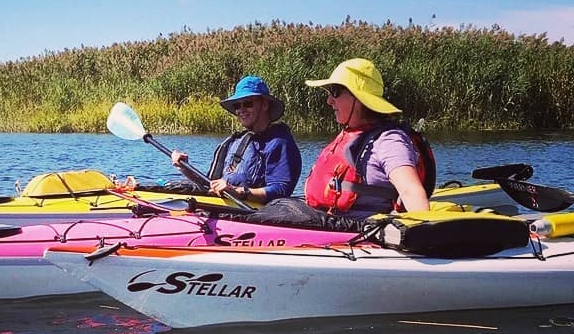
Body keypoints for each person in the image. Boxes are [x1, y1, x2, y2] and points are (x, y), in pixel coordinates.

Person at [302, 58, 435, 218]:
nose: (329, 100)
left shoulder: (389, 141)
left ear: (358, 99)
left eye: (335, 92)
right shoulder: (350, 134)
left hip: (360, 234)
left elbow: (411, 192)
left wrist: (423, 234)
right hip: (324, 223)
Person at [170, 75, 303, 204]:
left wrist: (238, 192)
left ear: (264, 105)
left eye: (248, 103)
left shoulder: (279, 143)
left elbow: (280, 190)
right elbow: (210, 183)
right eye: (237, 106)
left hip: (253, 215)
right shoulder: (235, 141)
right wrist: (185, 167)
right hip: (226, 209)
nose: (241, 110)